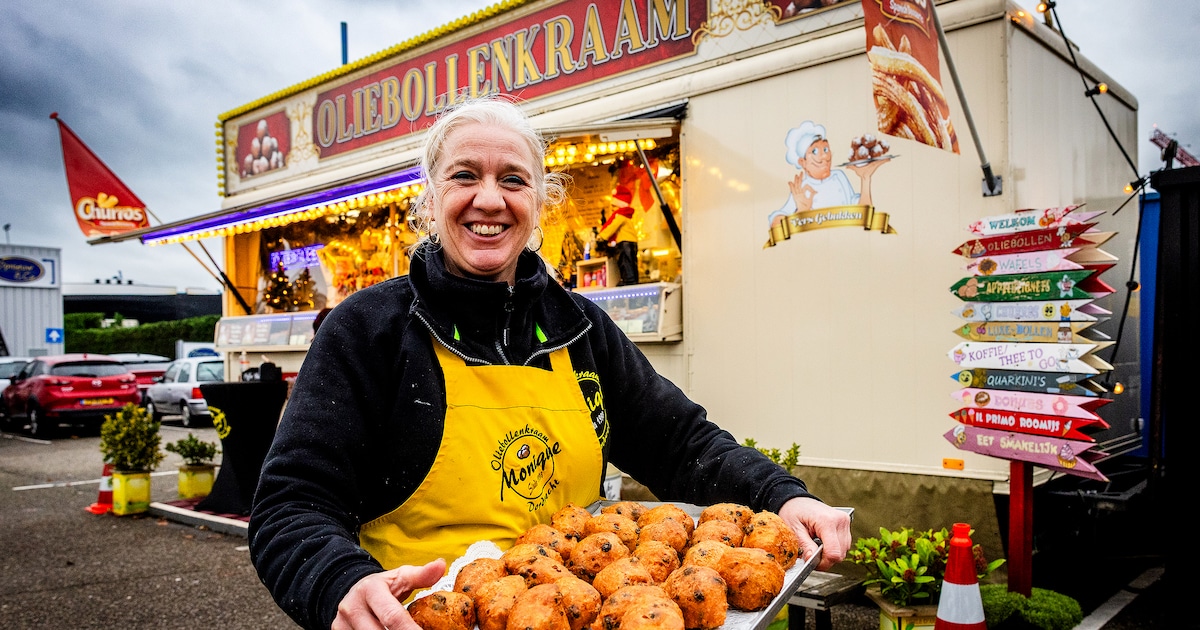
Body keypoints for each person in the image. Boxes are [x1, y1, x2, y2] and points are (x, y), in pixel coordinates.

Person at [249, 96, 851, 630]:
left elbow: (680, 443)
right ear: (430, 200)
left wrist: (782, 496)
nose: (490, 199)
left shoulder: (581, 327)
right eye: (464, 175)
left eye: (513, 179)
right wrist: (339, 583)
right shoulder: (368, 330)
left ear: (539, 201)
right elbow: (291, 503)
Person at [767, 120, 888, 226]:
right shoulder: (801, 189)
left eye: (825, 149)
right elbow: (775, 223)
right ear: (802, 162)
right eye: (814, 151)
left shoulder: (839, 176)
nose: (825, 156)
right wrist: (800, 212)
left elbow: (862, 213)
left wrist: (865, 179)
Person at [597, 184, 639, 285]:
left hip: (625, 242)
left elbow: (612, 227)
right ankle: (631, 279)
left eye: (614, 206)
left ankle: (629, 280)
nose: (612, 209)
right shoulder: (627, 216)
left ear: (620, 205)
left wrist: (602, 236)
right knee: (631, 261)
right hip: (630, 241)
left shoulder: (621, 216)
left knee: (625, 261)